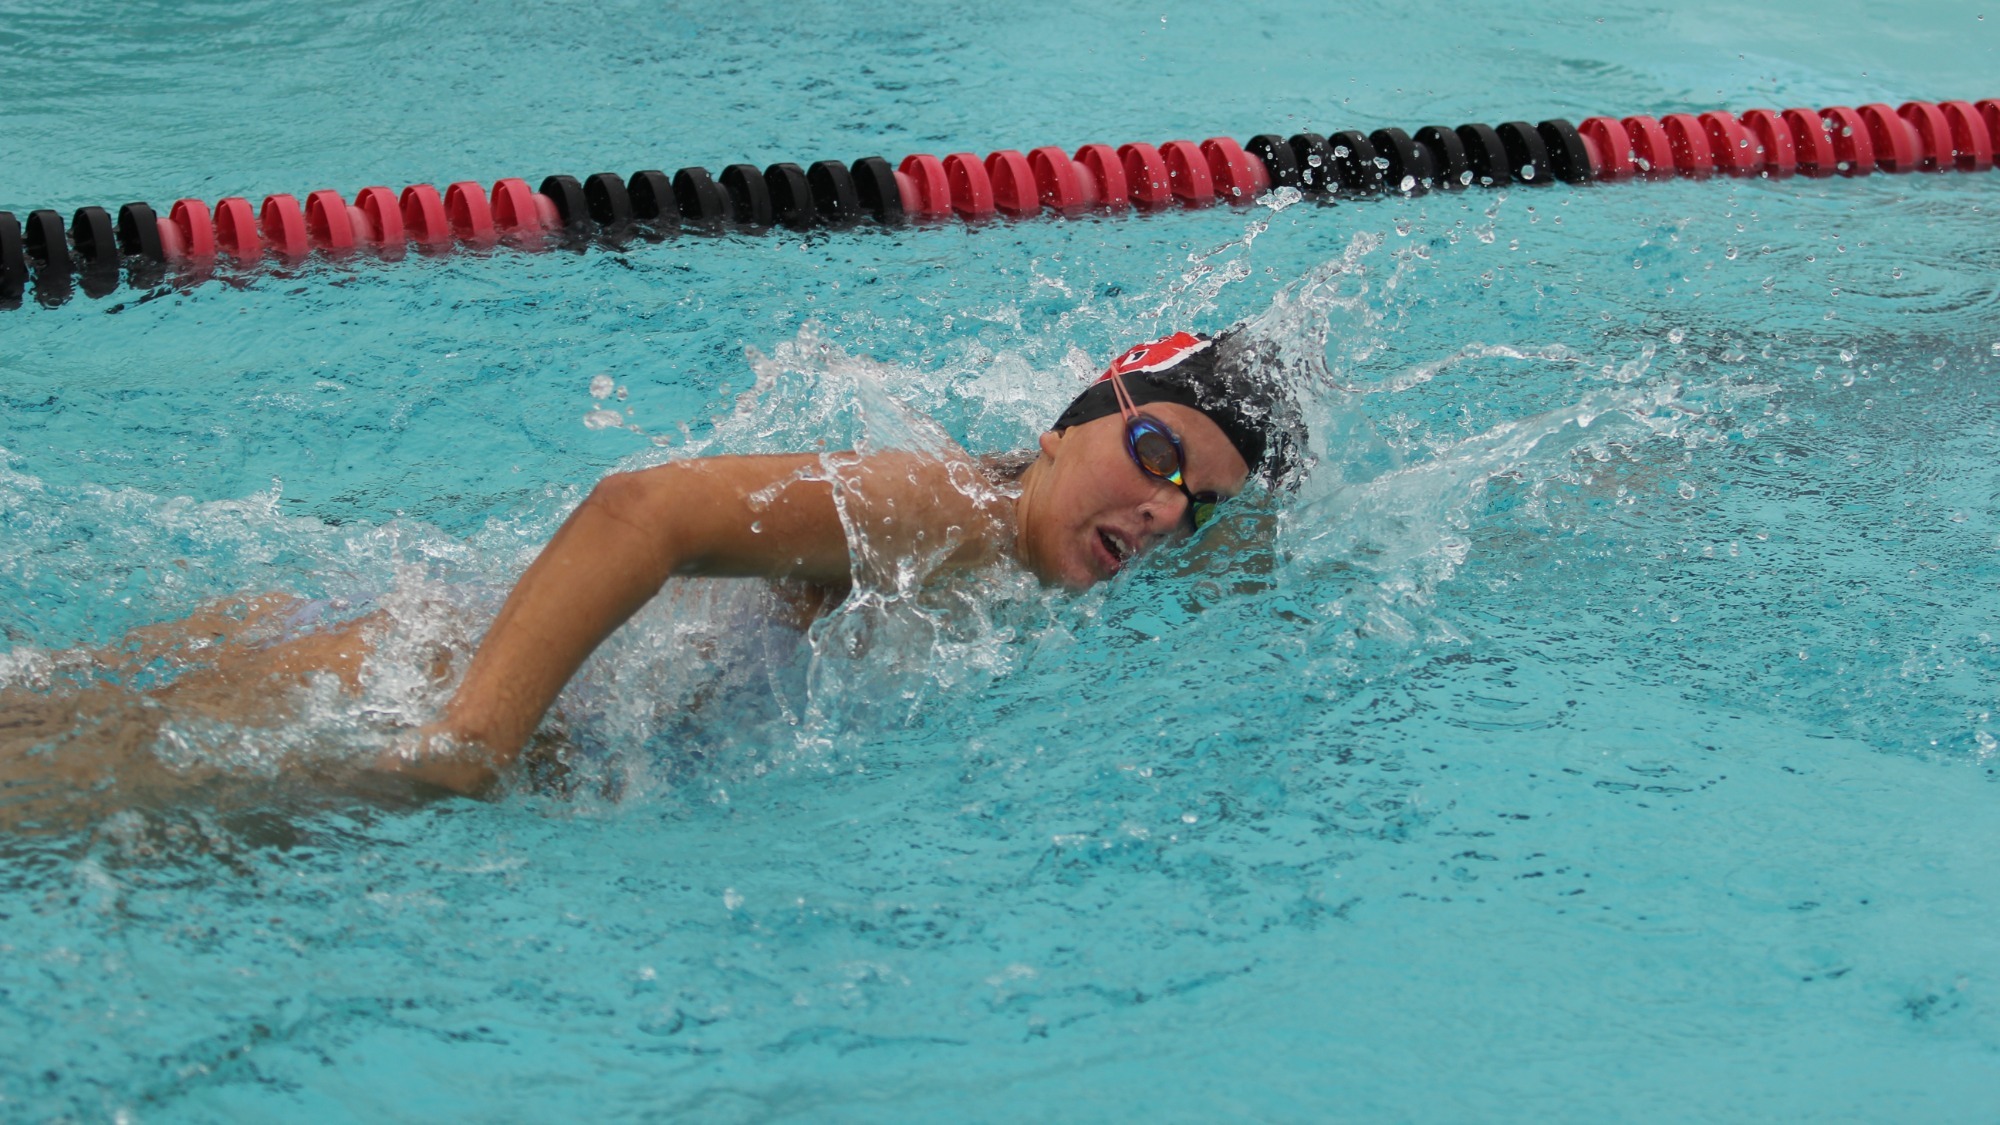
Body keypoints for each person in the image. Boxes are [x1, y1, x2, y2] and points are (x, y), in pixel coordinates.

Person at [2, 327, 1302, 814]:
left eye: (1198, 510)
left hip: (395, 651)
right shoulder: (942, 511)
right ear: (1075, 415)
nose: (1158, 507)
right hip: (402, 685)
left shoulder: (993, 549)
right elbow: (644, 512)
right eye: (1152, 450)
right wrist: (468, 741)